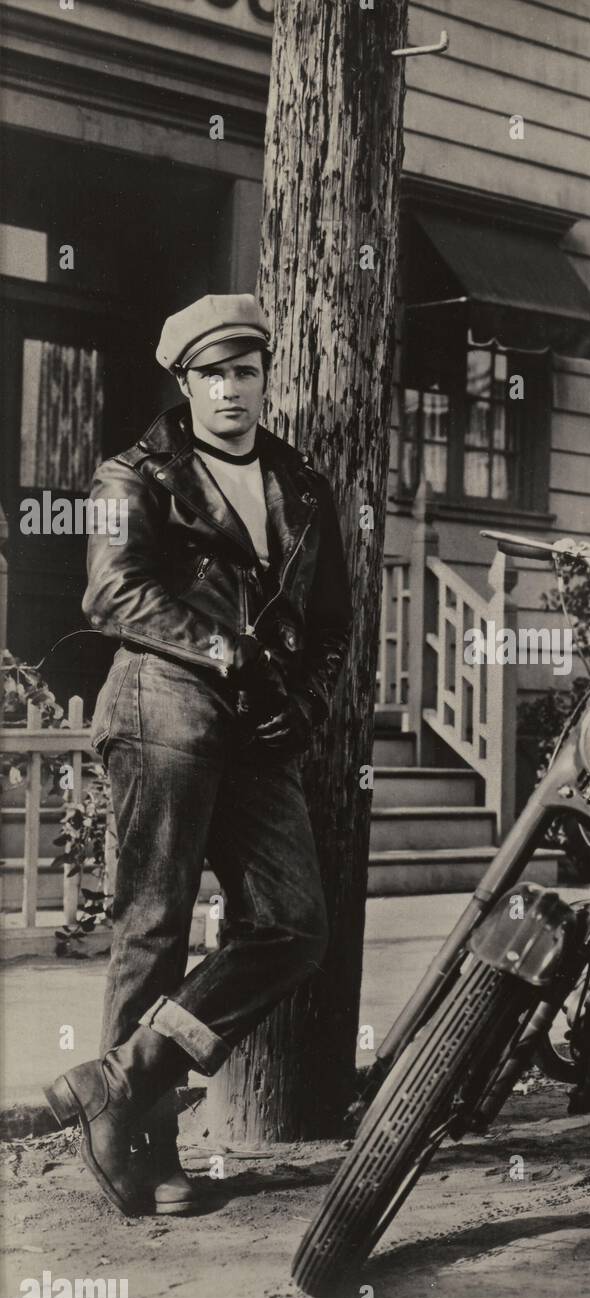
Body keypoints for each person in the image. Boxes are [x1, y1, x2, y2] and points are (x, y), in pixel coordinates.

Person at [44, 293, 350, 1217]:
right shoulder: (132, 474)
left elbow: (332, 622)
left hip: (260, 728)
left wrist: (305, 699)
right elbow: (113, 595)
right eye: (211, 375)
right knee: (155, 928)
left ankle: (123, 1075)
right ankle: (149, 1149)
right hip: (163, 713)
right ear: (184, 383)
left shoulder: (299, 481)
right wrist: (230, 654)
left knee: (294, 927)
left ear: (264, 376)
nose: (230, 391)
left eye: (245, 371)